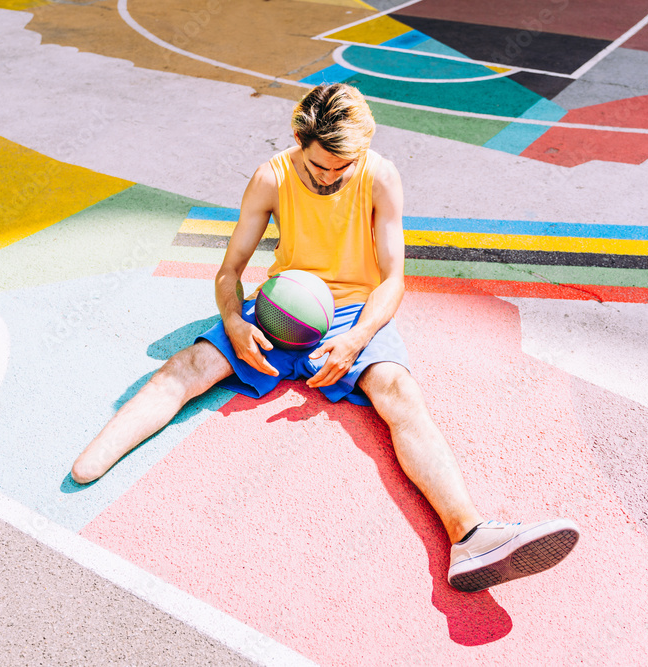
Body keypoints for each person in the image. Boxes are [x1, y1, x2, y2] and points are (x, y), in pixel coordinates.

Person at [71, 83, 579, 592]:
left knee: (399, 393)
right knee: (186, 367)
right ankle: (91, 461)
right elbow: (229, 272)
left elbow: (392, 279)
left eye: (344, 168)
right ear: (298, 139)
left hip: (354, 311)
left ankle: (470, 535)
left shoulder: (379, 176)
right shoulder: (270, 178)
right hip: (282, 305)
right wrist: (234, 323)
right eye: (321, 168)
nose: (332, 178)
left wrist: (357, 339)